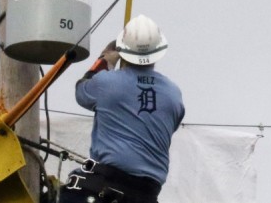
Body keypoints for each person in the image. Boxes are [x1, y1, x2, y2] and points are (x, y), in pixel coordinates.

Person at [62, 15, 184, 203]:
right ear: (158, 51)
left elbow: (81, 91)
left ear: (123, 50)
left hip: (106, 187)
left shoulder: (107, 82)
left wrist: (105, 61)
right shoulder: (173, 94)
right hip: (147, 195)